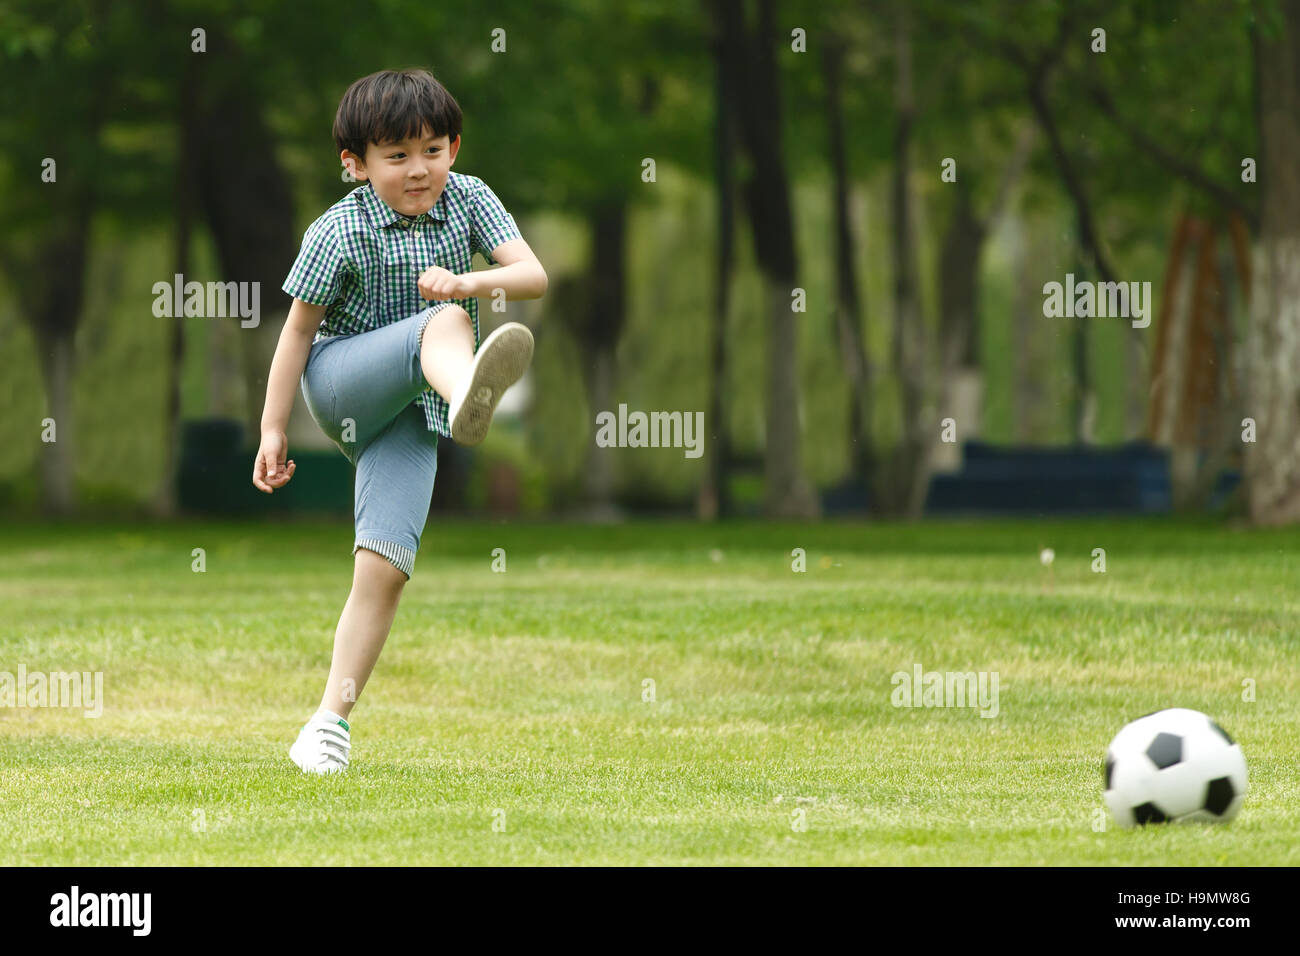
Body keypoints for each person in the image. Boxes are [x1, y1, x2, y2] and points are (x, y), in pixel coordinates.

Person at [252, 69, 547, 773]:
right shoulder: (337, 230)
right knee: (441, 322)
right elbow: (296, 334)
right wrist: (272, 428)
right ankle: (467, 388)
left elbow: (531, 275)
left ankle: (327, 725)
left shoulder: (469, 198)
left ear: (454, 147)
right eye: (397, 155)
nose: (420, 170)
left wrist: (472, 281)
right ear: (355, 164)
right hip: (345, 384)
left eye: (434, 150)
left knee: (384, 566)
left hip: (412, 411)